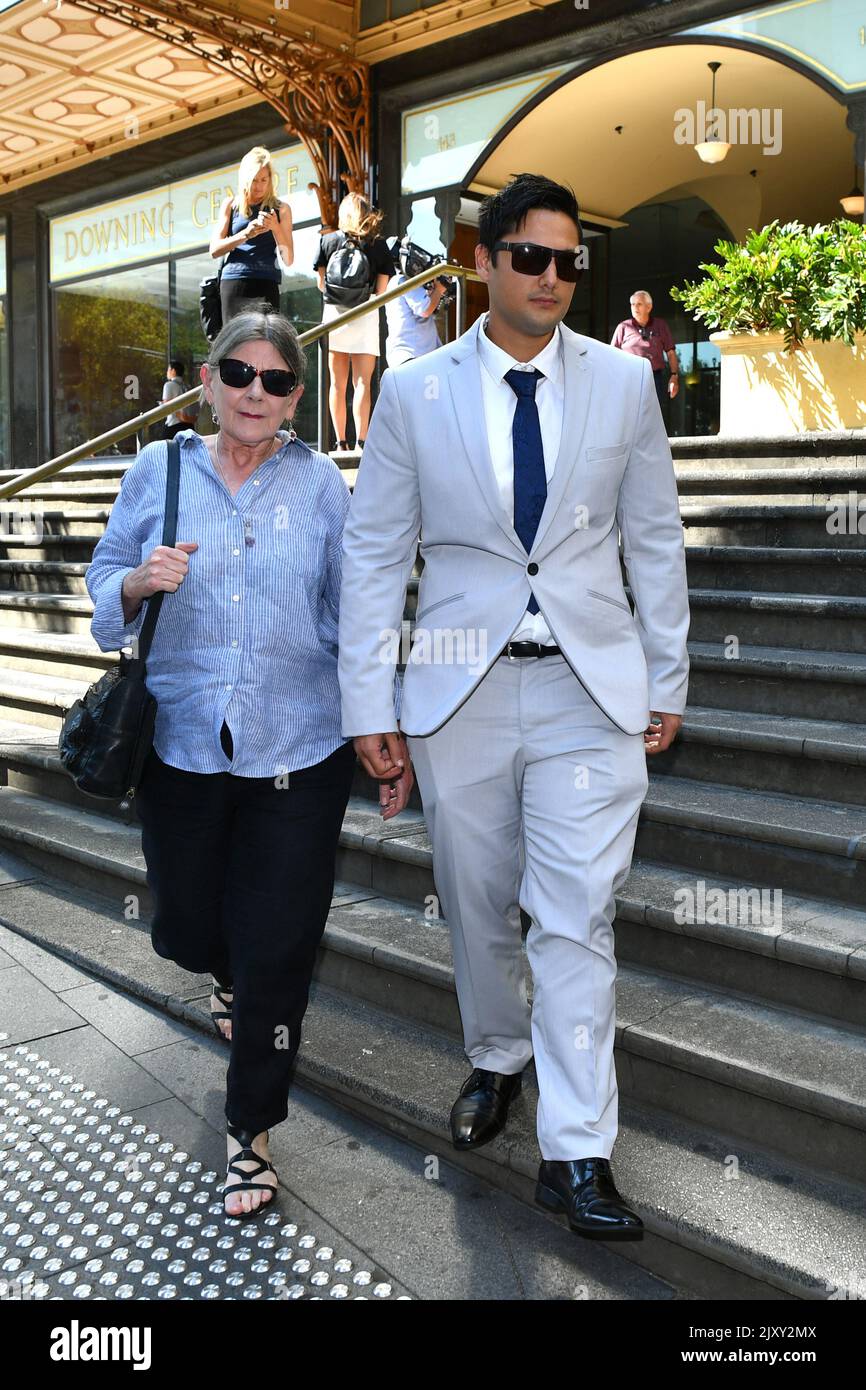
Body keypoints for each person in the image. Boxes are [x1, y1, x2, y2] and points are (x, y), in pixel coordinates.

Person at [338, 173, 690, 1241]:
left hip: (590, 687)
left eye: (568, 261)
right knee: (477, 898)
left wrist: (665, 674)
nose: (550, 277)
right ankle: (497, 1055)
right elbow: (375, 554)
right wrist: (369, 699)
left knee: (577, 916)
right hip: (460, 691)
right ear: (484, 261)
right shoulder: (414, 392)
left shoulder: (621, 386)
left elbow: (654, 539)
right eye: (529, 257)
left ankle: (576, 1151)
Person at [87, 305, 401, 1220]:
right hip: (182, 749)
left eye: (276, 380)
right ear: (208, 382)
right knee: (185, 928)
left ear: (298, 397)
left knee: (279, 950)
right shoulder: (158, 469)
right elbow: (103, 581)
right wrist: (136, 582)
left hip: (300, 751)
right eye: (238, 374)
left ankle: (251, 1133)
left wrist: (382, 723)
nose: (254, 393)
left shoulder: (322, 487)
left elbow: (358, 613)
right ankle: (217, 966)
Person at [314, 192, 394, 452]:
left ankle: (340, 443)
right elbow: (381, 291)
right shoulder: (378, 245)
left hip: (335, 315)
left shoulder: (328, 241)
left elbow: (321, 284)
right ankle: (362, 442)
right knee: (362, 383)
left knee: (337, 384)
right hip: (365, 313)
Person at [210, 147, 294, 322]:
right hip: (234, 281)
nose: (259, 186)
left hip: (266, 281)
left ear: (271, 179)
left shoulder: (281, 209)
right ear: (245, 179)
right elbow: (214, 250)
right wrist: (245, 234)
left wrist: (275, 227)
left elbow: (288, 259)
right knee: (234, 337)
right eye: (254, 180)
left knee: (265, 336)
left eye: (264, 180)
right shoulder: (231, 205)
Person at [611, 291, 679, 416]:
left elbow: (671, 353)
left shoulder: (660, 325)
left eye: (639, 304)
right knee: (629, 415)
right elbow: (612, 355)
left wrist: (674, 376)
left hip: (653, 377)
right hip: (628, 377)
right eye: (632, 304)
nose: (635, 307)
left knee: (652, 416)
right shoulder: (623, 327)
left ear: (649, 307)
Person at [384, 242, 448, 369]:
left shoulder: (395, 282)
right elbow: (425, 309)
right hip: (411, 354)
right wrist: (439, 289)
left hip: (410, 355)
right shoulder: (402, 281)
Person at [160, 360, 200, 439]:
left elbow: (166, 405)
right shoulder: (188, 387)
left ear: (173, 371)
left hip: (174, 426)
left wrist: (162, 404)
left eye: (168, 370)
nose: (167, 372)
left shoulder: (169, 385)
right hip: (189, 427)